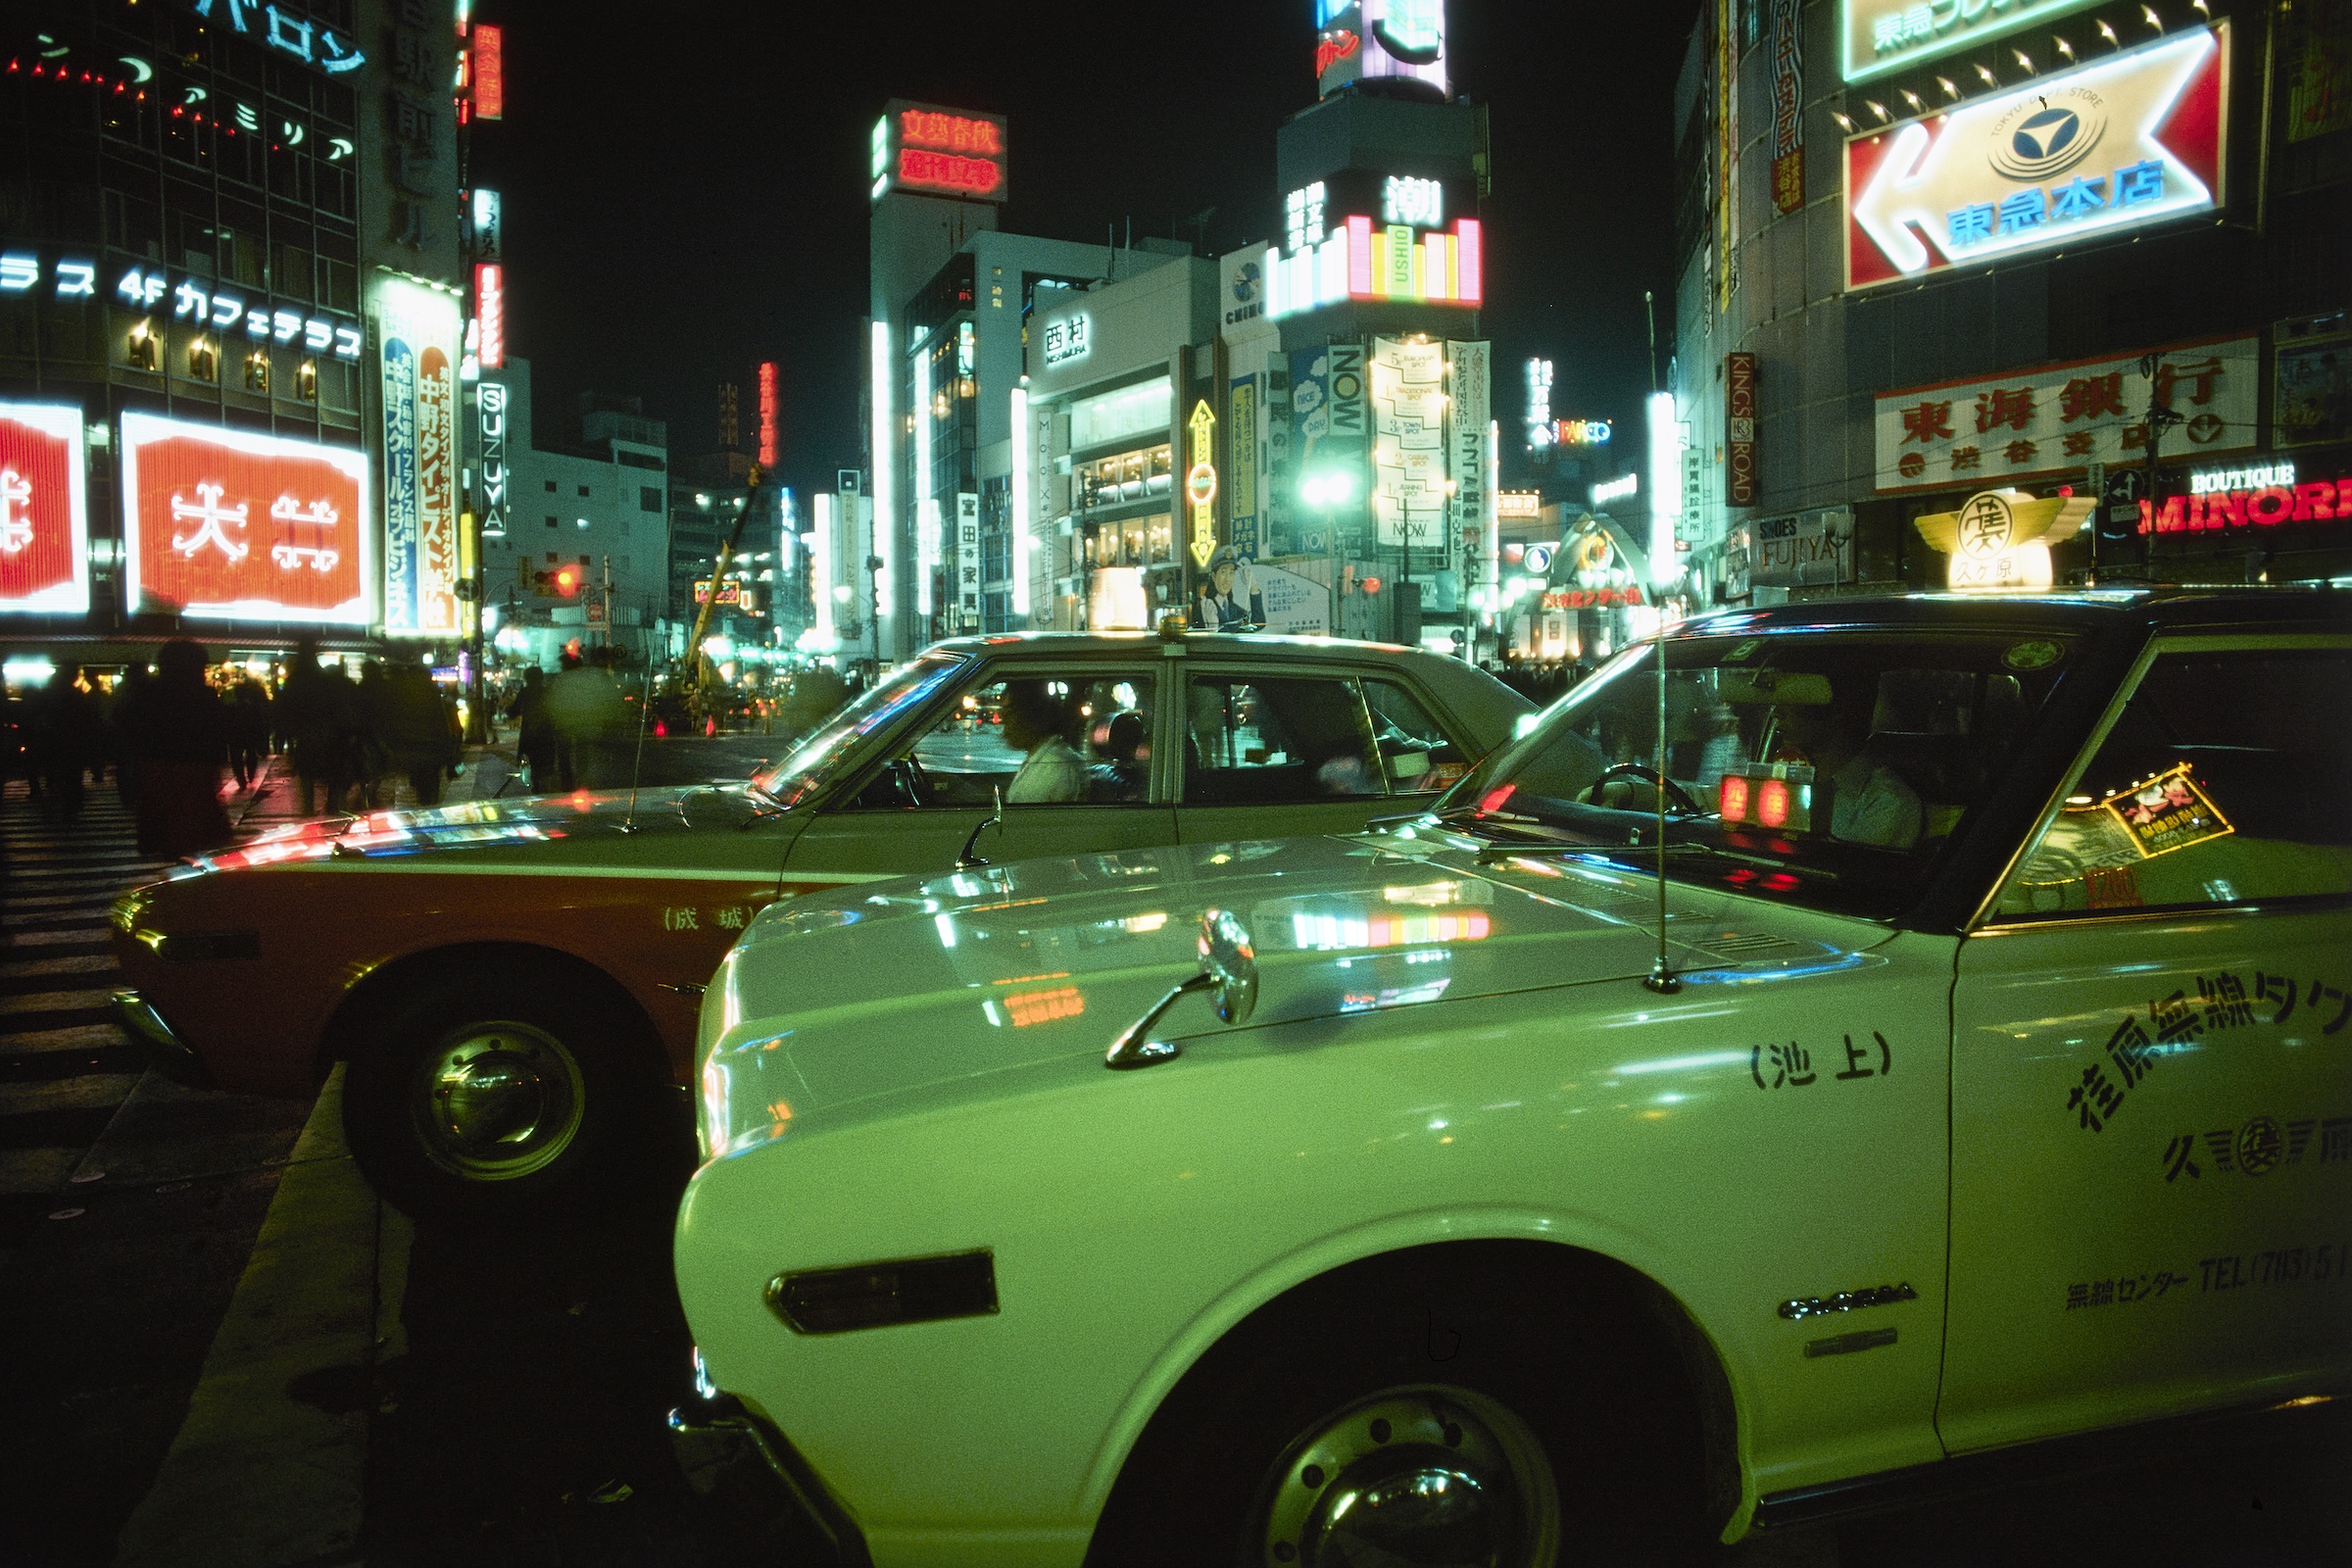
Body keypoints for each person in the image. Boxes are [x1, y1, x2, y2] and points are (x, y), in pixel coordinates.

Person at [1770, 674, 1924, 850]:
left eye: (1797, 695)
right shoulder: (1790, 785)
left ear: (1837, 711)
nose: (1776, 712)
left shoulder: (1888, 803)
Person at [121, 639, 233, 858]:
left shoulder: (147, 697)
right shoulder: (203, 698)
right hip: (194, 771)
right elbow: (218, 734)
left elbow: (130, 730)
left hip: (158, 770)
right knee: (195, 830)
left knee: (168, 829)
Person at [31, 663, 102, 824]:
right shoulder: (76, 696)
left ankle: (55, 805)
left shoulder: (49, 695)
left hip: (52, 743)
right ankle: (70, 808)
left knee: (54, 776)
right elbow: (88, 720)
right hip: (73, 744)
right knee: (72, 777)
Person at [1000, 680, 1086, 804]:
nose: (1005, 726)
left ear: (1033, 715)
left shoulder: (1055, 767)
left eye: (1010, 713)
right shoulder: (1041, 758)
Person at [506, 666, 561, 791]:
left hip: (530, 734)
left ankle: (537, 786)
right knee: (547, 764)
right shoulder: (547, 691)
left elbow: (513, 712)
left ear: (527, 678)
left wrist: (507, 709)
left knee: (534, 763)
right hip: (547, 733)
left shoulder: (525, 692)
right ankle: (546, 786)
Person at [1194, 547, 1265, 631]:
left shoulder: (1236, 611)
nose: (1227, 579)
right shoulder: (1205, 609)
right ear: (1214, 576)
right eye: (1223, 572)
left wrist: (1253, 587)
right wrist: (1212, 628)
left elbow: (1258, 624)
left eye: (1231, 573)